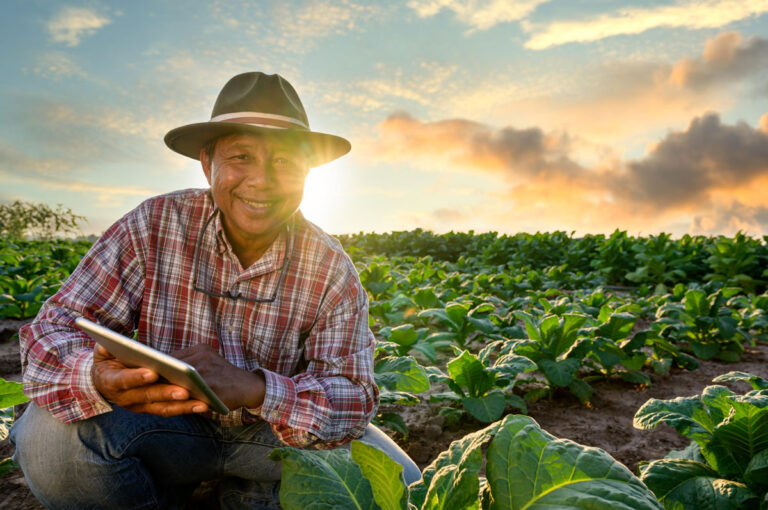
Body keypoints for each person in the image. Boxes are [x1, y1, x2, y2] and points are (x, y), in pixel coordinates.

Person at [11, 72, 420, 509]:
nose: (261, 180)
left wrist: (255, 389)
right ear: (208, 164)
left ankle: (250, 492)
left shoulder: (330, 264)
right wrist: (97, 376)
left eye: (284, 161)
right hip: (161, 425)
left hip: (272, 436)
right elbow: (50, 333)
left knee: (403, 488)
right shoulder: (154, 224)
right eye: (241, 156)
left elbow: (354, 395)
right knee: (49, 441)